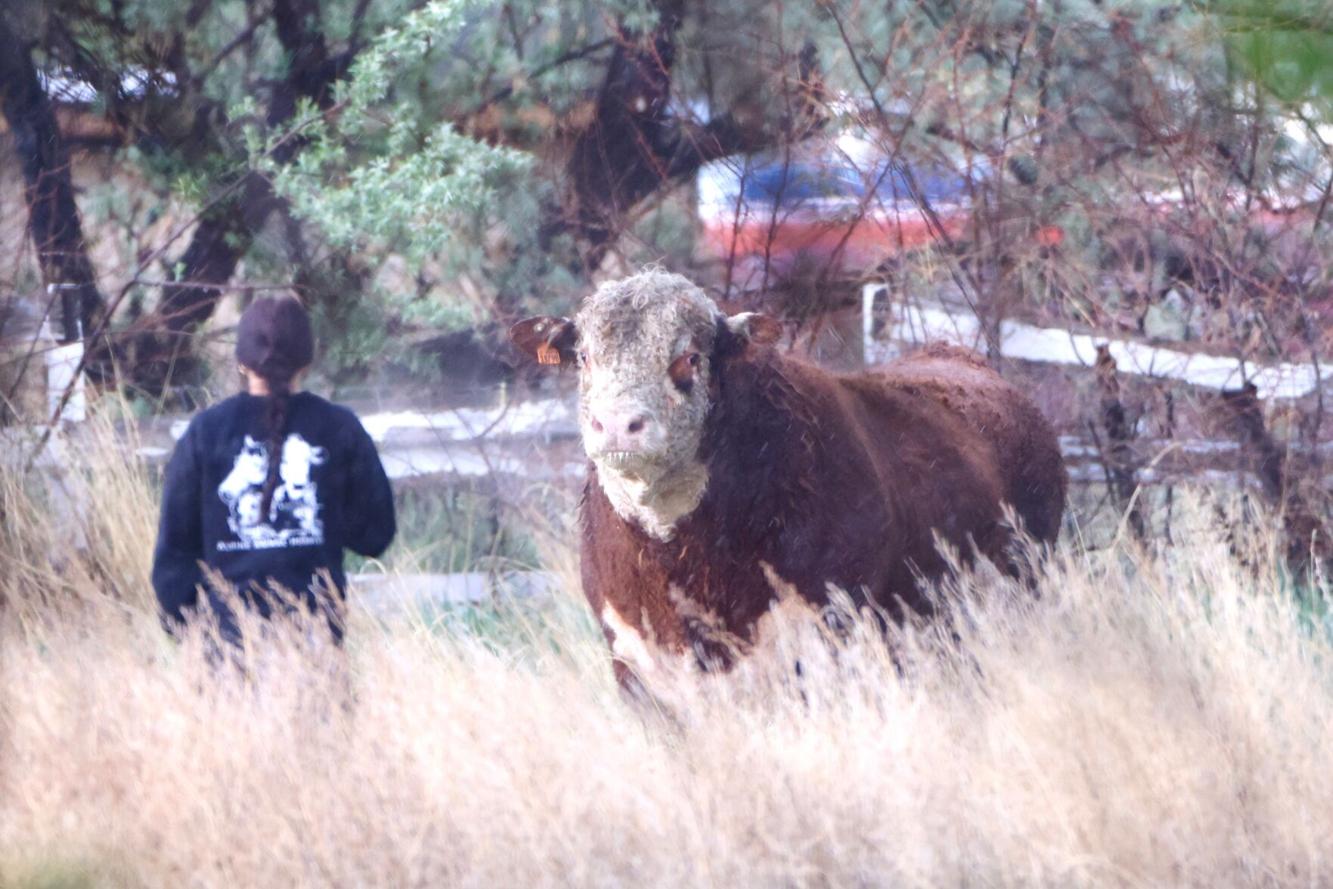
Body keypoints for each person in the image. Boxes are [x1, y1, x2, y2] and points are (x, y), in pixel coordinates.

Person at [152, 295, 396, 648]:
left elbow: (174, 554)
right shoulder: (339, 429)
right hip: (316, 641)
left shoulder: (205, 433)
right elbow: (375, 535)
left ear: (242, 362)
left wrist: (190, 631)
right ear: (307, 361)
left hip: (228, 647)